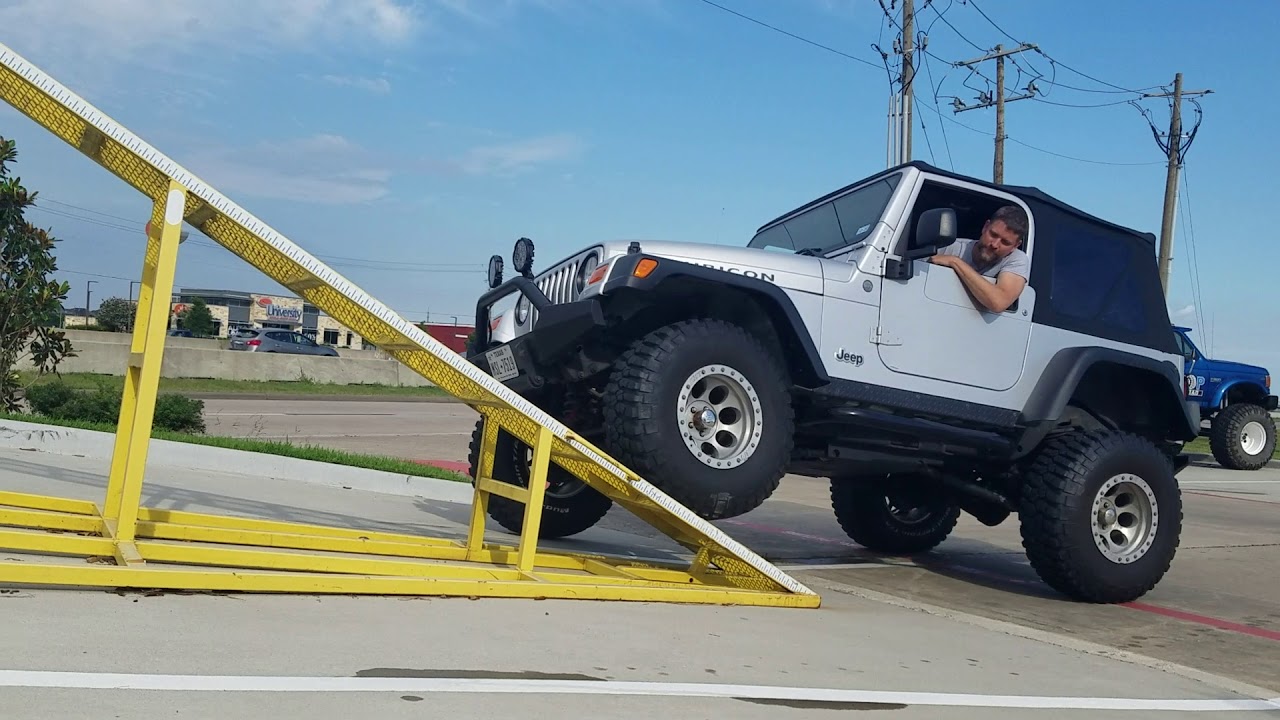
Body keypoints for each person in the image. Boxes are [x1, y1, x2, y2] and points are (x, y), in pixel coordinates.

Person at [927, 204, 1029, 313]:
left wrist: (955, 262)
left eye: (1005, 242)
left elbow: (998, 303)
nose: (994, 244)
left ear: (1015, 246)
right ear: (985, 227)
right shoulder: (949, 248)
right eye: (993, 235)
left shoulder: (1016, 260)